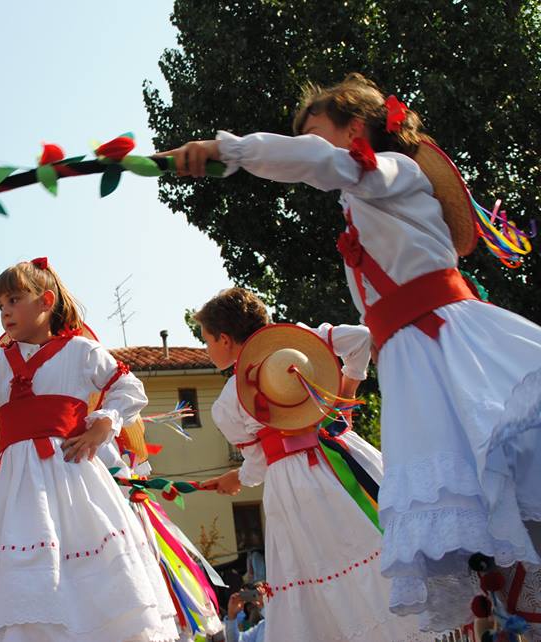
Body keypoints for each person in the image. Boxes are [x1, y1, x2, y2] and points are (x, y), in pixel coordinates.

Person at [160, 73, 541, 630]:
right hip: (414, 358)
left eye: (319, 134)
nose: (313, 148)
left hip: (443, 342)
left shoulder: (394, 172)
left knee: (499, 482)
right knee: (476, 512)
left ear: (356, 130)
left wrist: (229, 151)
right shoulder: (370, 196)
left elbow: (322, 163)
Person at [0, 258, 179, 641]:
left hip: (73, 477)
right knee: (29, 578)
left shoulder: (81, 351)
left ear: (45, 301)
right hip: (19, 489)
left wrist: (103, 424)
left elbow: (128, 389)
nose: (5, 311)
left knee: (90, 581)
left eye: (13, 299)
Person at [195, 288, 428, 641]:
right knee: (374, 541)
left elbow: (257, 465)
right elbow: (361, 339)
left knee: (324, 576)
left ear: (225, 339)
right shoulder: (297, 345)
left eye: (207, 340)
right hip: (342, 456)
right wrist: (346, 394)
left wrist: (237, 478)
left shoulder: (229, 402)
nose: (206, 349)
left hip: (295, 487)